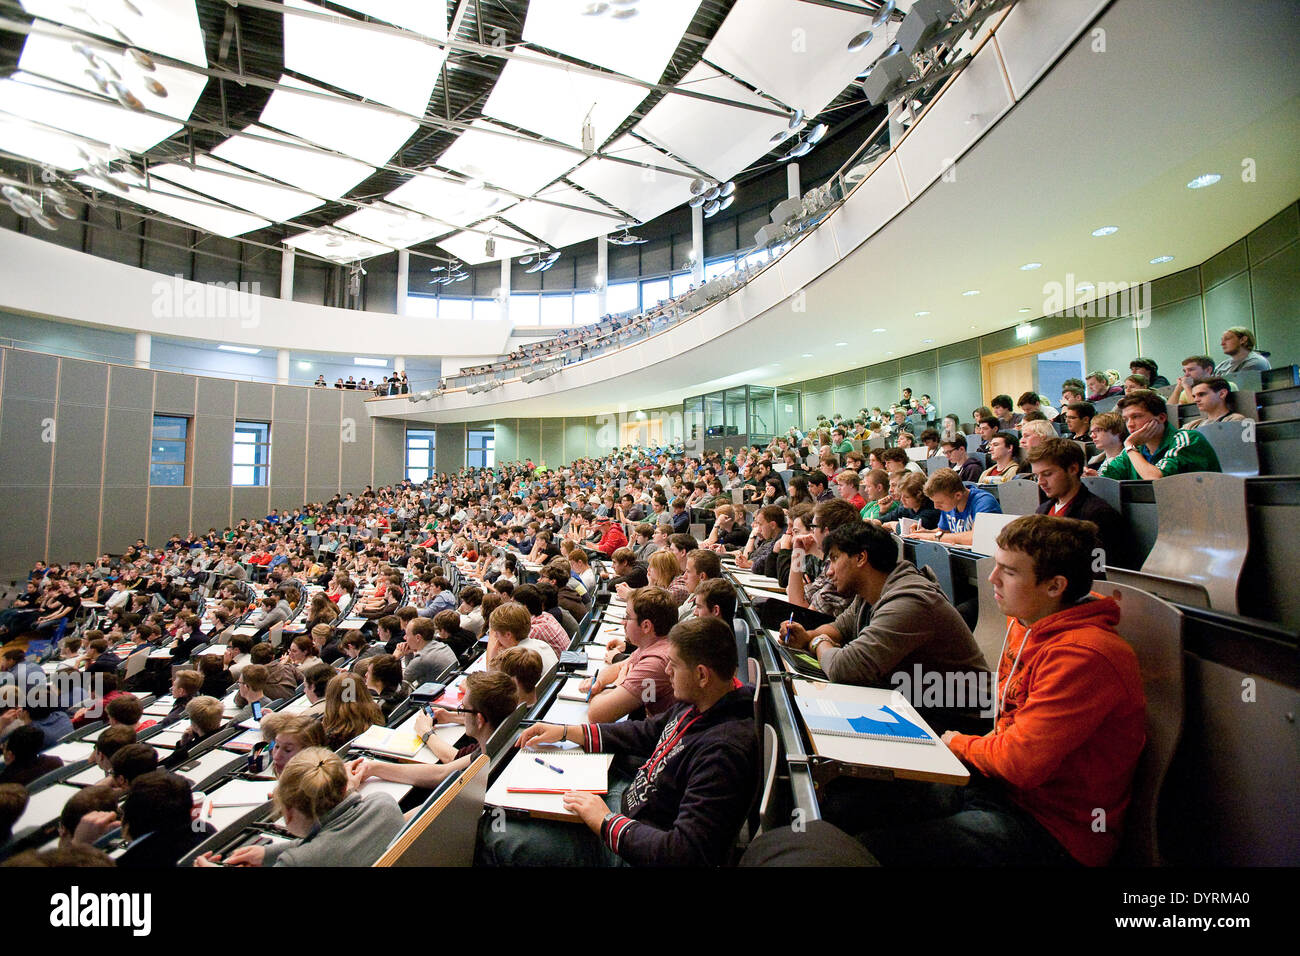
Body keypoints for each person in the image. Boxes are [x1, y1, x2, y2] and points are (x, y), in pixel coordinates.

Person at [859, 515, 1145, 867]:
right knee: (865, 801)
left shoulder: (1087, 656)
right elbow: (1006, 722)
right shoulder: (1025, 621)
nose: (992, 578)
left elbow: (1020, 762)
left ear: (1055, 586)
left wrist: (957, 743)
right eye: (996, 566)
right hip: (1000, 789)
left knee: (872, 851)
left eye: (1008, 572)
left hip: (1055, 832)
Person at [482, 616, 759, 867]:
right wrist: (567, 732)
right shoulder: (701, 703)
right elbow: (646, 733)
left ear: (701, 675)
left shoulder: (724, 752)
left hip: (629, 844)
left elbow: (682, 853)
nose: (668, 673)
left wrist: (604, 821)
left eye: (673, 666)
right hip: (625, 802)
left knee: (496, 835)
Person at [779, 523, 986, 728]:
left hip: (957, 722)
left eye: (834, 559)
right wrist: (809, 636)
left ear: (861, 558)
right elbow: (838, 628)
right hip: (916, 706)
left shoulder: (910, 601)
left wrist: (816, 641)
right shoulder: (869, 593)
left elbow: (843, 668)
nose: (830, 571)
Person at [197, 748, 403, 867]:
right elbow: (335, 842)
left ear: (288, 812)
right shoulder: (384, 803)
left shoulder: (297, 863)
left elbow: (320, 849)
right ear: (343, 788)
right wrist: (266, 854)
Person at [350, 671, 519, 791]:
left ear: (480, 719)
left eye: (463, 708)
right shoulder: (497, 740)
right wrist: (373, 768)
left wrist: (426, 733)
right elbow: (442, 772)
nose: (459, 712)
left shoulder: (483, 770)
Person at [583, 586, 678, 721]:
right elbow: (621, 667)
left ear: (646, 626)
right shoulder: (653, 644)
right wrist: (598, 683)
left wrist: (616, 685)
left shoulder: (655, 663)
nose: (623, 622)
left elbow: (596, 715)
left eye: (627, 617)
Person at [1029, 438, 1127, 568]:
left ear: (1073, 469)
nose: (1040, 482)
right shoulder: (1042, 510)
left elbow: (1100, 572)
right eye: (1037, 476)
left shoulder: (1098, 514)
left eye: (1047, 474)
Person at [1100, 389, 1222, 480]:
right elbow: (1106, 476)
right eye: (1126, 419)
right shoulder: (1136, 449)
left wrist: (1129, 445)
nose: (1130, 424)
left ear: (1161, 417)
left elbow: (1157, 480)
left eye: (1136, 417)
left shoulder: (1187, 439)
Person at [907, 468, 1002, 547]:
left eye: (940, 502)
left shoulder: (984, 502)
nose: (936, 507)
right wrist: (927, 532)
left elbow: (977, 538)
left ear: (958, 495)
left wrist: (932, 537)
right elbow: (943, 531)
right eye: (934, 502)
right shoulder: (949, 503)